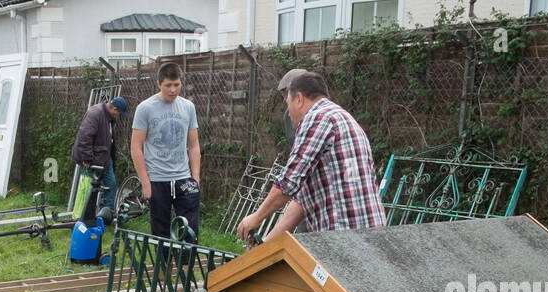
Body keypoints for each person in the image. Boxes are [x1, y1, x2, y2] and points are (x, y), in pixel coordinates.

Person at [236, 71, 386, 243]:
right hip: (373, 236)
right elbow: (300, 201)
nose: (288, 112)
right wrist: (267, 245)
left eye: (288, 102)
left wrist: (256, 217)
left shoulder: (317, 118)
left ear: (298, 98)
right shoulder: (342, 117)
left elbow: (288, 183)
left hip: (345, 237)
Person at [130, 63, 202, 240]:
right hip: (157, 179)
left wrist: (196, 179)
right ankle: (164, 267)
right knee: (160, 231)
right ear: (159, 84)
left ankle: (186, 267)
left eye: (176, 84)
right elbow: (136, 147)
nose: (173, 89)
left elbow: (193, 145)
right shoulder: (145, 108)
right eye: (168, 85)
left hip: (183, 178)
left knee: (190, 230)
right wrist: (146, 183)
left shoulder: (188, 107)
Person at [72, 95, 127, 214]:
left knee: (109, 185)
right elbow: (84, 136)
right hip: (92, 159)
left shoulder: (108, 117)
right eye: (119, 114)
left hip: (104, 158)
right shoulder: (95, 113)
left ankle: (104, 215)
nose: (119, 117)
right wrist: (86, 157)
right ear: (115, 109)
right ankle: (83, 215)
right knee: (88, 189)